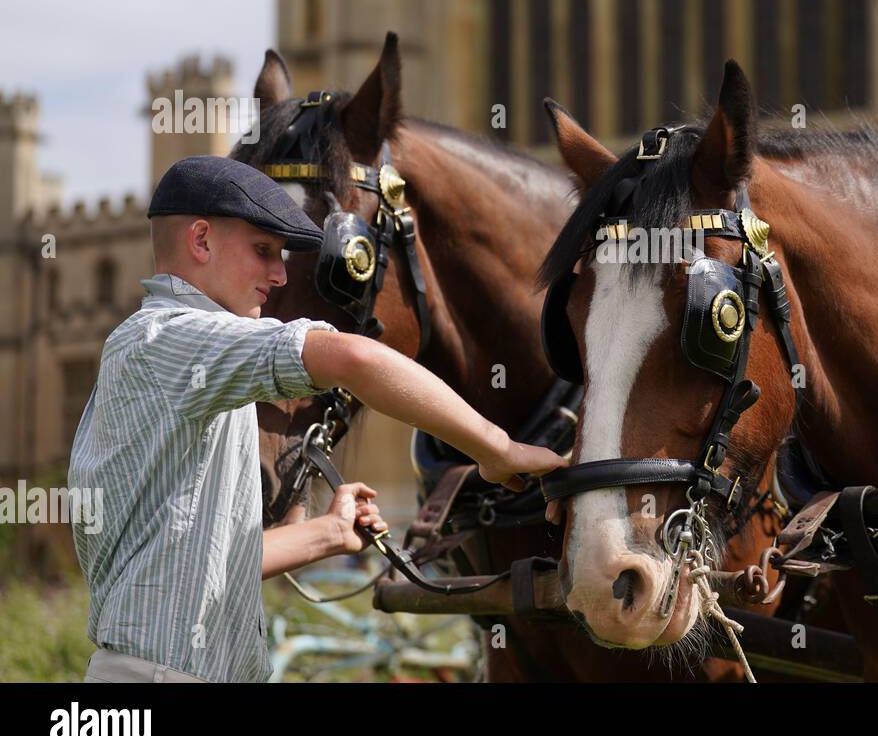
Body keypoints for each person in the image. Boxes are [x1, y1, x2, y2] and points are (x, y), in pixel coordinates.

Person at [68, 155, 566, 683]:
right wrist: (498, 449)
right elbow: (353, 359)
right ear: (201, 241)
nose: (280, 274)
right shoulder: (164, 339)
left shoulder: (190, 368)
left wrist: (328, 533)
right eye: (263, 251)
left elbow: (214, 562)